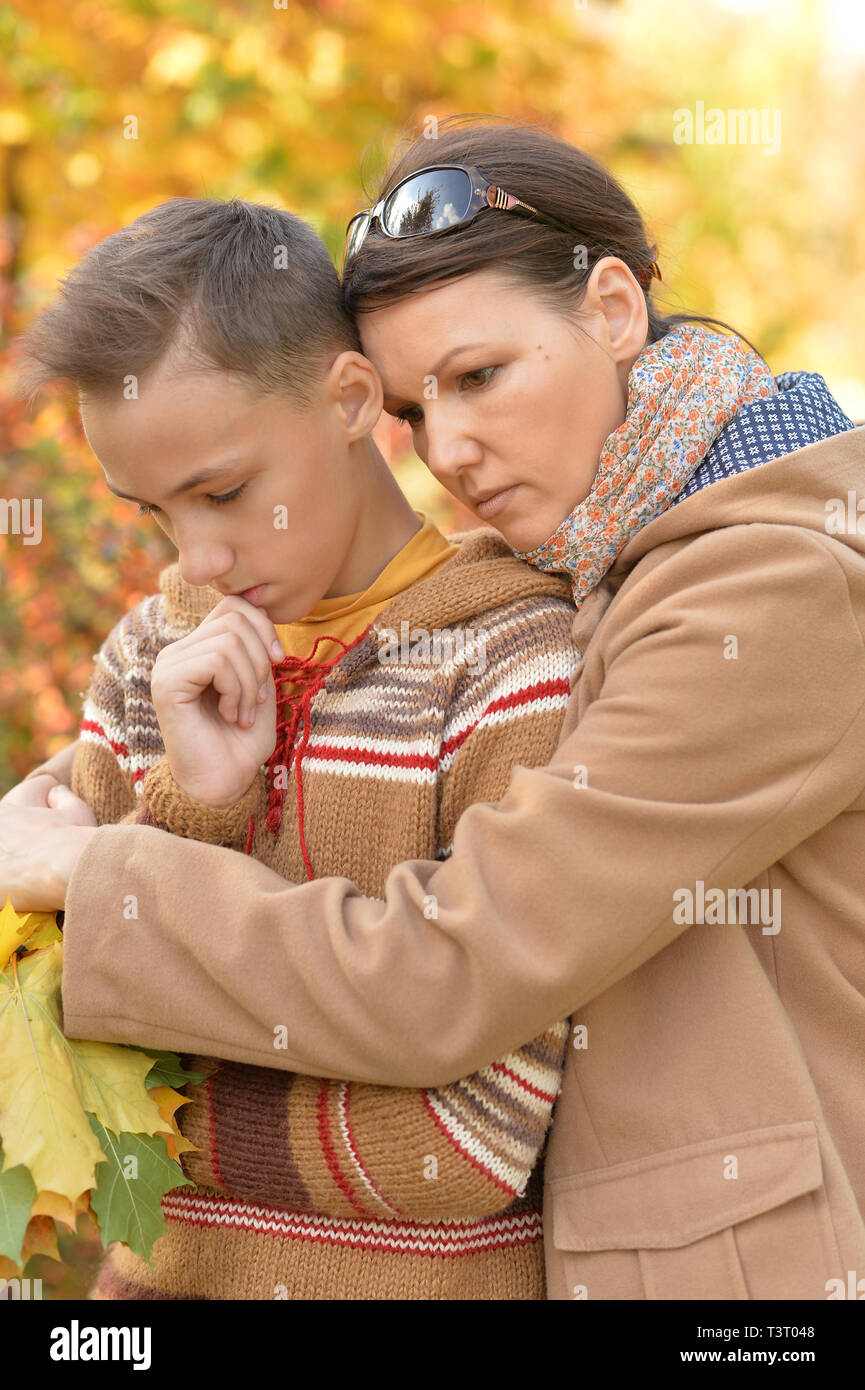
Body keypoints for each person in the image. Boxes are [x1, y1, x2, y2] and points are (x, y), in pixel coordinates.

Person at [6, 117, 865, 1301]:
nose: (447, 450)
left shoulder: (774, 590)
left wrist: (96, 879)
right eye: (414, 409)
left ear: (614, 308)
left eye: (480, 376)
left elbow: (450, 976)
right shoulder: (603, 554)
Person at [3, 193, 583, 1299]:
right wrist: (191, 806)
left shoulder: (514, 666)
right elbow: (68, 1102)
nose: (199, 558)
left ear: (351, 400)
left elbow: (466, 1142)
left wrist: (129, 947)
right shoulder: (148, 660)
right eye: (151, 511)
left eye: (224, 492)